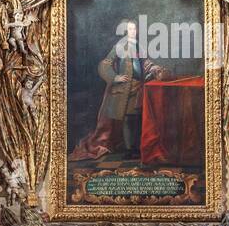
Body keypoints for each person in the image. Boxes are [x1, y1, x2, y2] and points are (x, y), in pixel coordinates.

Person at [69, 19, 167, 162]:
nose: (133, 32)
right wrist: (115, 77)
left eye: (134, 29)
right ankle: (129, 150)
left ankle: (137, 148)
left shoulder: (139, 46)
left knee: (138, 117)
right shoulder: (120, 46)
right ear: (126, 31)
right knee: (128, 119)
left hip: (139, 87)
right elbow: (104, 64)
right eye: (130, 29)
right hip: (125, 89)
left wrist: (153, 68)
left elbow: (145, 62)